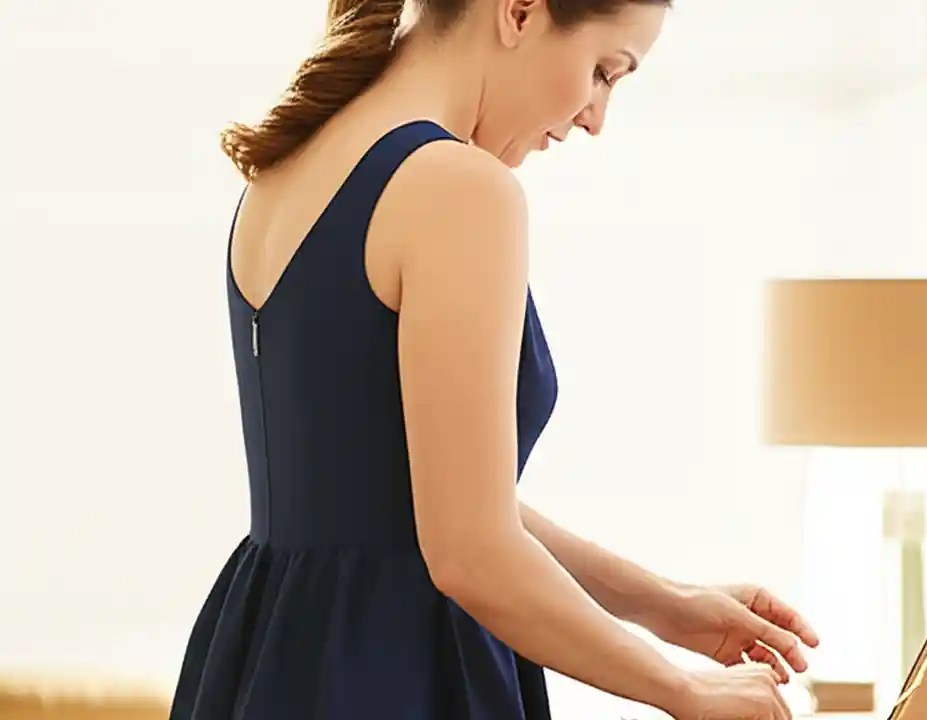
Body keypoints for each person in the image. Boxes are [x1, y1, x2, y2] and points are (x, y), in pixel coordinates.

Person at [171, 0, 820, 717]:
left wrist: (665, 606)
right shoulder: (459, 190)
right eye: (604, 71)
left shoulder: (288, 163)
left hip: (269, 656)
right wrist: (684, 690)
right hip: (397, 673)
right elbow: (469, 551)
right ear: (518, 12)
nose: (596, 117)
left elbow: (412, 501)